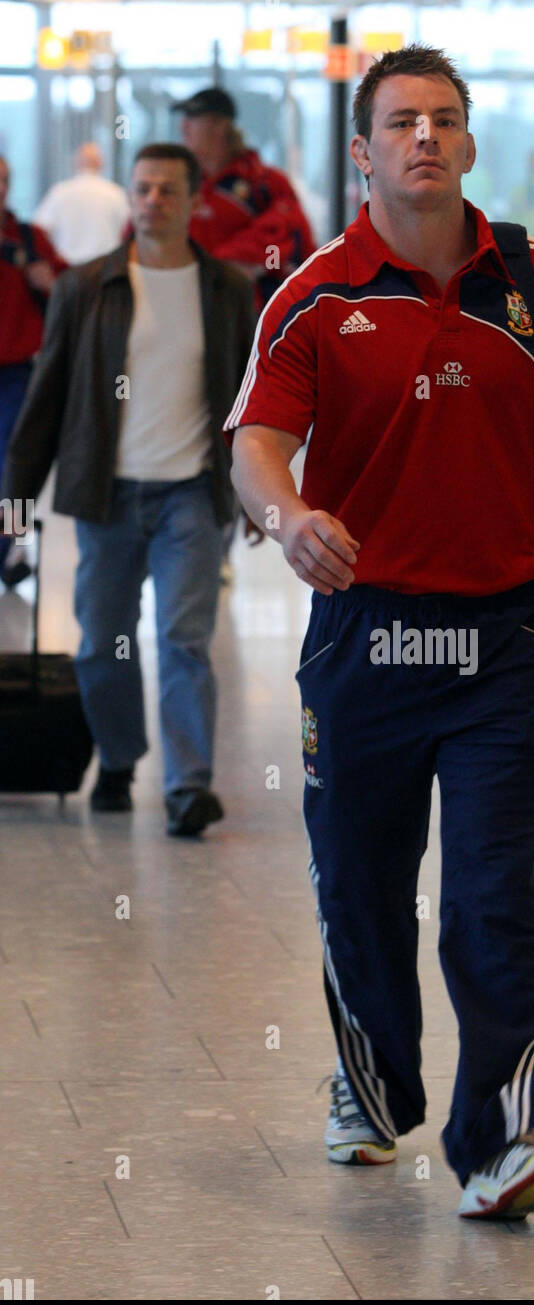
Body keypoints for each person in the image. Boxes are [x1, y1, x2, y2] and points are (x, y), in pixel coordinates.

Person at [228, 44, 534, 1220]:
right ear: (361, 152)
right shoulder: (314, 292)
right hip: (363, 641)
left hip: (508, 644)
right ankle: (373, 1087)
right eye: (400, 121)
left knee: (494, 892)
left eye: (444, 120)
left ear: (468, 145)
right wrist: (289, 513)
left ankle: (501, 1139)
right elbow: (255, 441)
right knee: (360, 886)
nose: (424, 138)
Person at [4, 144, 256, 836]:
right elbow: (46, 398)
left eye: (168, 190)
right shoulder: (88, 287)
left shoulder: (228, 290)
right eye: (142, 189)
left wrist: (262, 494)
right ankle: (118, 758)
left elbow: (248, 399)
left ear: (193, 200)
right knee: (101, 643)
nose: (152, 202)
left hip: (192, 496)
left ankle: (187, 786)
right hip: (108, 495)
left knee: (183, 638)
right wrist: (15, 501)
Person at [171, 87, 317, 306]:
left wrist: (236, 263)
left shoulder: (265, 183)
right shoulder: (176, 183)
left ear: (219, 126)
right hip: (181, 306)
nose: (183, 126)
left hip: (247, 315)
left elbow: (285, 246)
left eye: (192, 118)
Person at [0, 154, 66, 587]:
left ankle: (13, 543)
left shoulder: (29, 237)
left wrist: (50, 282)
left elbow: (71, 290)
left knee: (16, 464)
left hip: (18, 374)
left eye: (4, 180)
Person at [33, 142, 129, 265]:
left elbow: (40, 230)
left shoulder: (59, 193)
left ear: (75, 163)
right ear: (101, 163)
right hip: (105, 268)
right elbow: (128, 230)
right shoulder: (116, 194)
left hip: (68, 268)